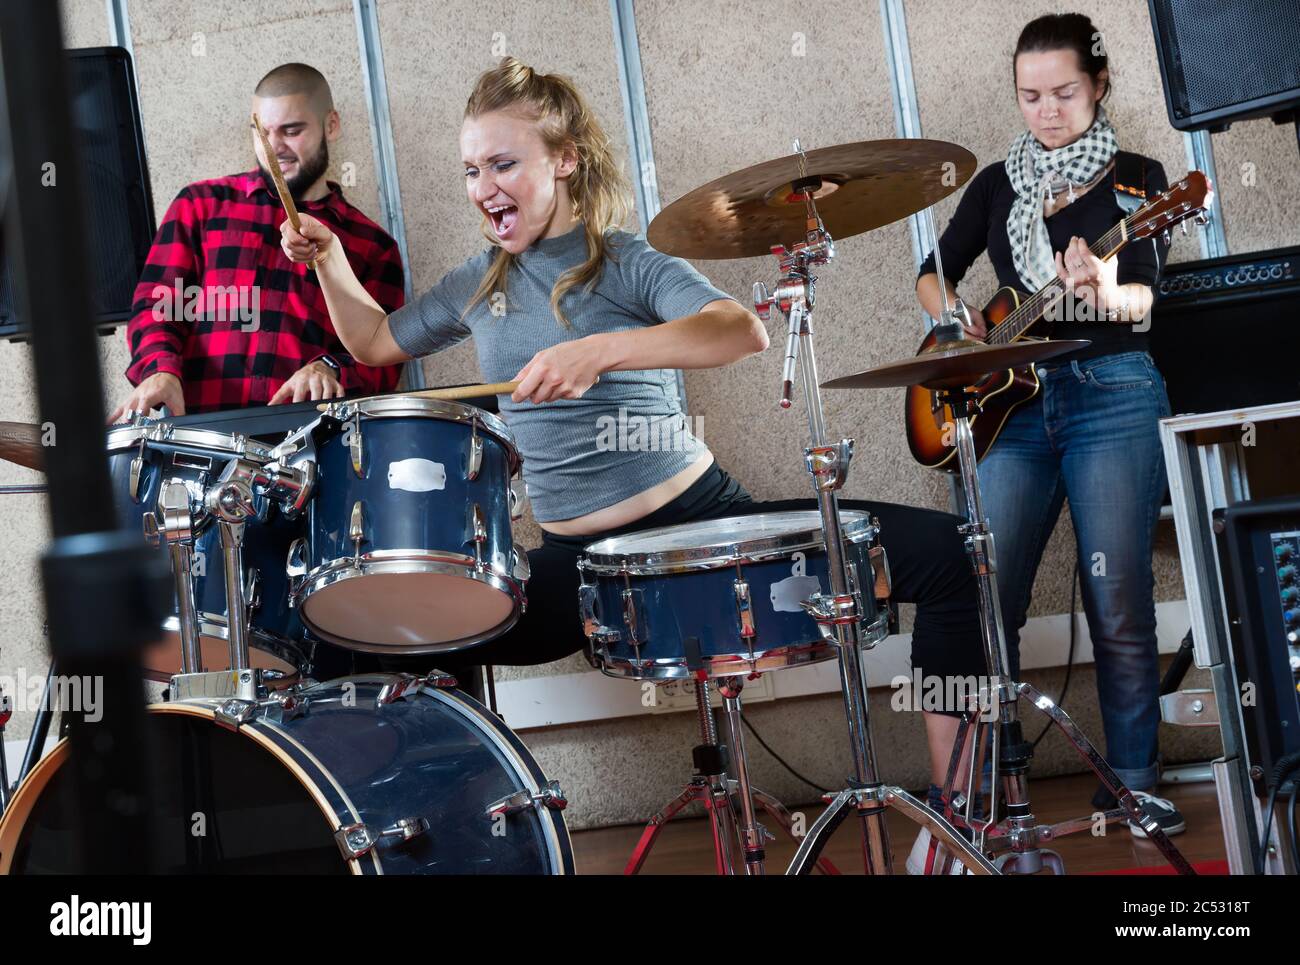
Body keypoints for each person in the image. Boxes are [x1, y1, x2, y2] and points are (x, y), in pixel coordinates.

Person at [283, 57, 988, 863]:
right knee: (367, 633)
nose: (483, 187)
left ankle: (955, 820)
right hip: (581, 565)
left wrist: (604, 349)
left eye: (503, 164)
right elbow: (374, 341)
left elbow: (738, 329)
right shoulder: (478, 282)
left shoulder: (622, 260)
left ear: (564, 159)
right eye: (472, 170)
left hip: (701, 520)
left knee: (951, 558)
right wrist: (329, 259)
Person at [916, 13, 1183, 838]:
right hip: (1012, 407)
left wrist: (1101, 289)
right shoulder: (998, 182)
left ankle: (1133, 787)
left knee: (1118, 596)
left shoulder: (1140, 182)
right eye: (1030, 96)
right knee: (984, 590)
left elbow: (1143, 301)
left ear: (1098, 85)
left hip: (1112, 392)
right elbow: (933, 272)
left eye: (1064, 92)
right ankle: (987, 791)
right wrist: (955, 319)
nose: (1048, 110)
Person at [110, 63, 405, 422]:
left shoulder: (372, 245)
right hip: (201, 439)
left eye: (292, 131)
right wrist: (160, 369)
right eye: (261, 132)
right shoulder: (202, 206)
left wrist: (329, 368)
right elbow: (158, 305)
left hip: (309, 441)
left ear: (331, 125)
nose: (274, 148)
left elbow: (385, 355)